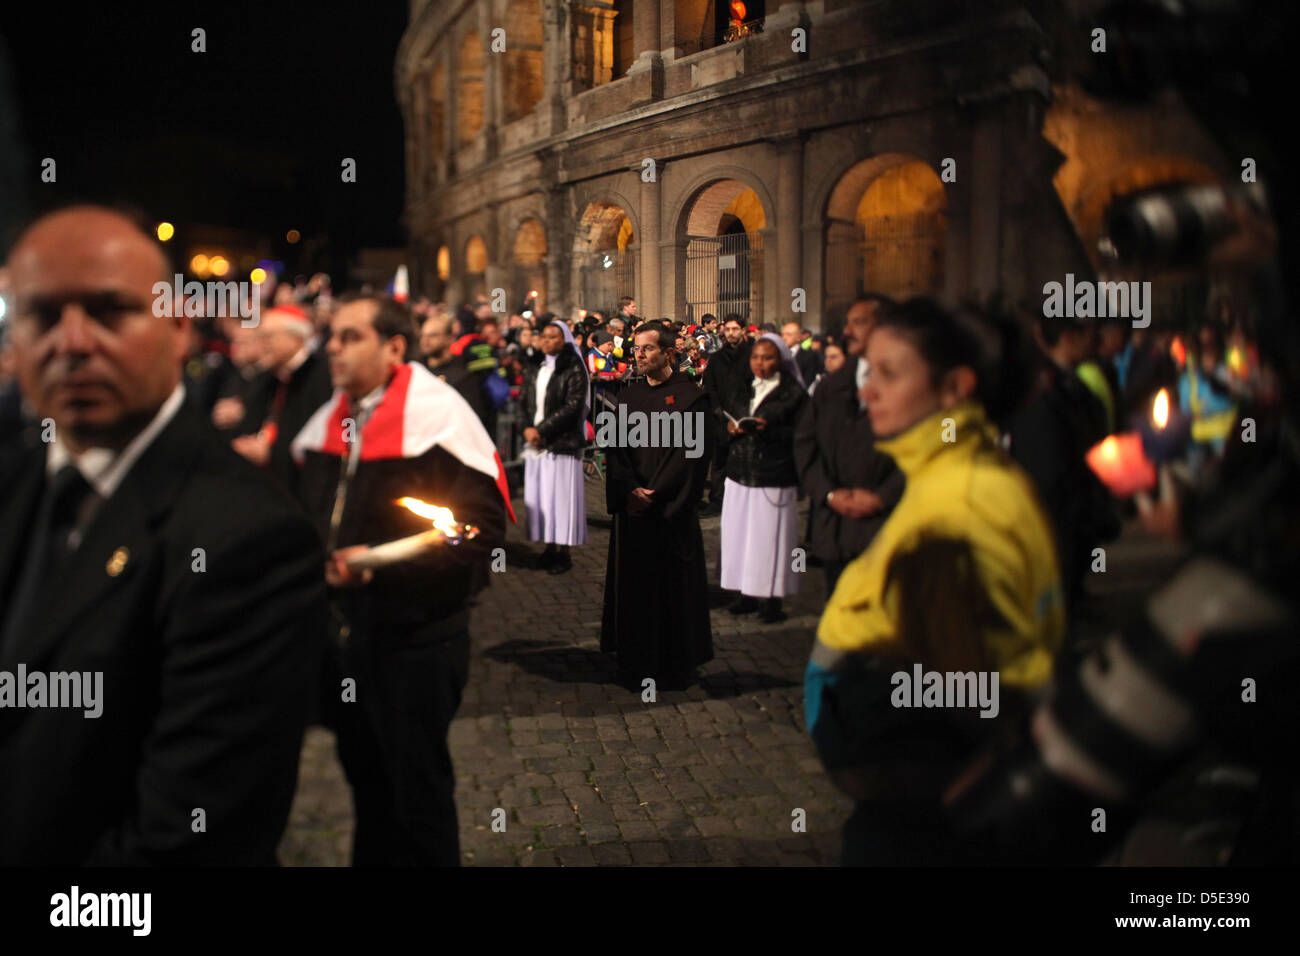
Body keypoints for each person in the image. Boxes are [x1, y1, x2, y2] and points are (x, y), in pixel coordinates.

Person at [0, 205, 326, 865]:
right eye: (40, 315)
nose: (72, 342)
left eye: (109, 310)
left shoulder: (249, 539)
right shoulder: (16, 480)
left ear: (177, 328)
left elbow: (187, 845)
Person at [805, 297, 1065, 865]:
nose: (866, 389)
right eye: (868, 370)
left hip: (930, 815)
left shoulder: (965, 502)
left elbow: (974, 692)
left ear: (954, 389)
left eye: (889, 374)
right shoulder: (947, 473)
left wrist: (917, 777)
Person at [291, 294, 510, 866]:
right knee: (367, 787)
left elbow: (477, 529)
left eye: (349, 337)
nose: (332, 347)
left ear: (392, 347)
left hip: (417, 639)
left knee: (416, 796)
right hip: (346, 637)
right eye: (331, 336)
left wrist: (383, 564)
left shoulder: (439, 417)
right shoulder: (331, 414)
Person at [600, 321, 713, 689]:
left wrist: (655, 494)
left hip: (669, 513)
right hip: (635, 513)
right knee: (636, 590)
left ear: (669, 353)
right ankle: (635, 659)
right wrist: (629, 488)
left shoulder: (691, 397)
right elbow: (614, 449)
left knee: (672, 589)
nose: (639, 354)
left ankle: (675, 663)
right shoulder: (629, 397)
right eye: (636, 348)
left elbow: (690, 457)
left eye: (647, 348)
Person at [1007, 313, 1117, 618]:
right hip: (1056, 511)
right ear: (1070, 337)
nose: (1099, 341)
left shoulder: (1070, 383)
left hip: (1072, 509)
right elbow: (1048, 464)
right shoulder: (1043, 391)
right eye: (1091, 334)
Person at [794, 295, 904, 593]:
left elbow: (927, 450)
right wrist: (828, 494)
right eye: (848, 323)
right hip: (836, 530)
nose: (848, 332)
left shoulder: (911, 384)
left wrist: (883, 496)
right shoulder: (831, 386)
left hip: (889, 529)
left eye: (860, 322)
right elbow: (806, 446)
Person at [719, 333, 807, 623]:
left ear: (780, 360)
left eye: (767, 357)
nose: (760, 363)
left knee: (770, 539)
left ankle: (771, 599)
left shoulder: (793, 392)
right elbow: (723, 416)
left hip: (773, 473)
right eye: (756, 357)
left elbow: (804, 434)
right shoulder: (743, 387)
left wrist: (769, 429)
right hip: (740, 472)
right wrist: (730, 429)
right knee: (741, 536)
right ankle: (745, 593)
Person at [231, 304, 333, 493]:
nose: (261, 345)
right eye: (259, 337)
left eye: (268, 337)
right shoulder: (268, 376)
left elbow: (314, 444)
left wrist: (271, 453)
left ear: (295, 339)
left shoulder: (321, 376)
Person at [521, 320, 589, 574]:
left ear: (564, 340)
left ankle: (563, 552)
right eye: (544, 337)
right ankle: (549, 547)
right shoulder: (535, 367)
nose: (547, 341)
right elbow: (525, 404)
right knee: (544, 498)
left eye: (553, 337)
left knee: (562, 498)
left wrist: (542, 430)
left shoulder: (573, 368)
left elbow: (573, 406)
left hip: (561, 443)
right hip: (537, 444)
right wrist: (526, 428)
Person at [700, 315, 751, 515]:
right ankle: (717, 500)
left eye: (735, 329)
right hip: (721, 418)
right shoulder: (717, 358)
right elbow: (709, 384)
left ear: (743, 330)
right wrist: (716, 408)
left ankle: (741, 502)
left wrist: (747, 412)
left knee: (742, 461)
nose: (730, 333)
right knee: (719, 462)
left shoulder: (752, 356)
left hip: (744, 418)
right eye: (727, 329)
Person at [421, 311, 488, 424]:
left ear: (450, 338)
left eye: (433, 335)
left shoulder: (464, 375)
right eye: (423, 335)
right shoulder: (418, 370)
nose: (425, 341)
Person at [782, 321, 820, 386]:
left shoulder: (809, 356)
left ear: (799, 337)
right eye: (782, 334)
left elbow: (808, 379)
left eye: (788, 335)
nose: (784, 338)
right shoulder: (777, 354)